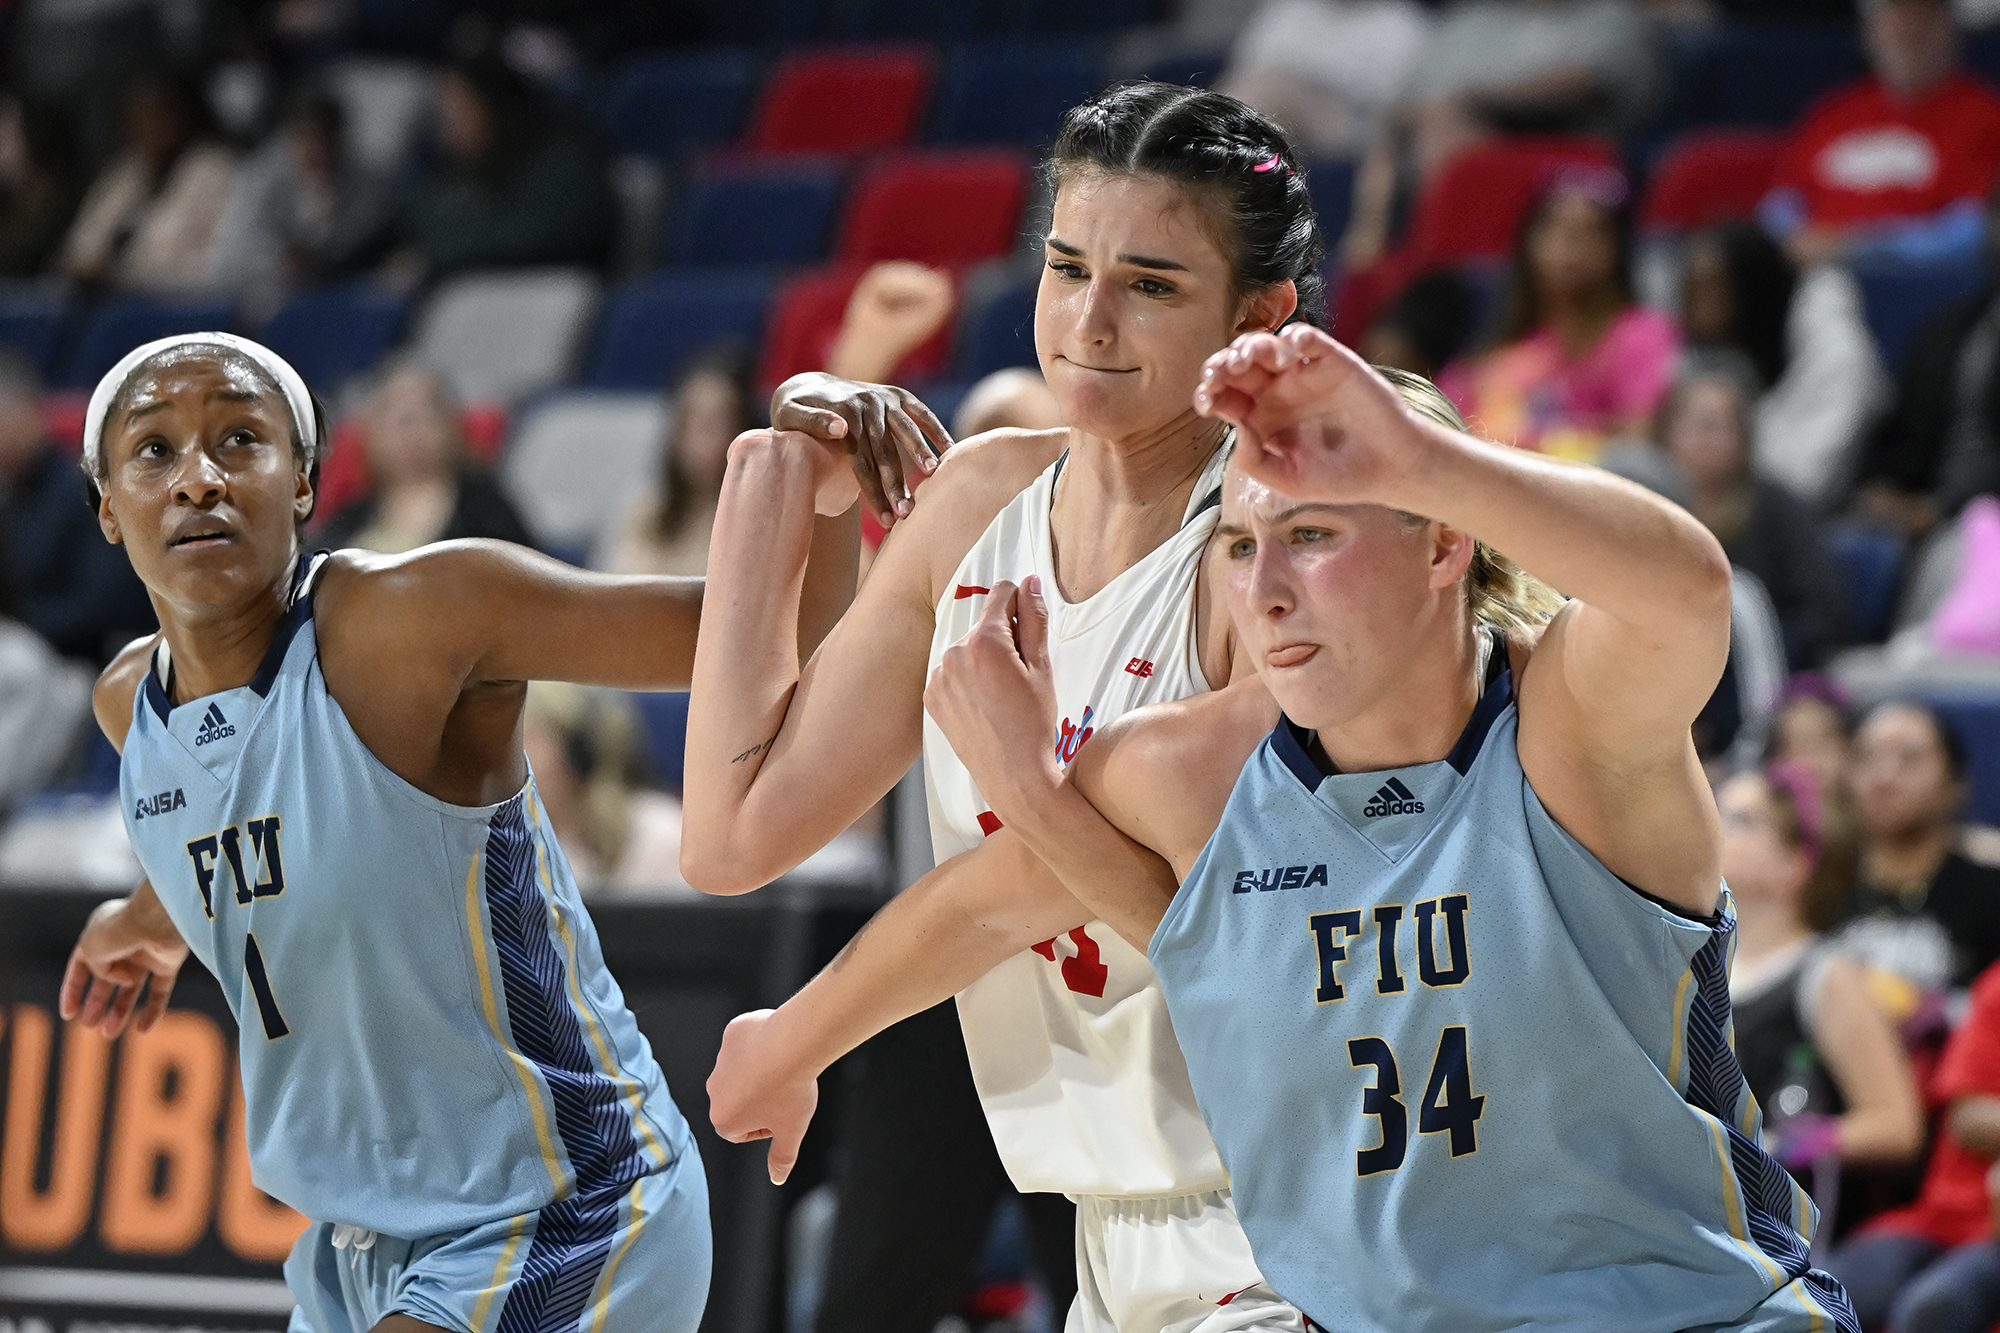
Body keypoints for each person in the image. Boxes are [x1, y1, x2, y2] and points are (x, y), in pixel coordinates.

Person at [921, 327, 1857, 1329]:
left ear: (1444, 540)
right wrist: (786, 1045)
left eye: (1311, 534)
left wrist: (1421, 461)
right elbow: (1115, 935)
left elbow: (1684, 591)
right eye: (1239, 545)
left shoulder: (1562, 726)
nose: (1264, 590)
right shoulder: (1200, 776)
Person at [54, 330, 868, 1330]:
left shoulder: (416, 619)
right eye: (154, 451)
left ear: (305, 483)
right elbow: (250, 827)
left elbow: (782, 635)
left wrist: (826, 489)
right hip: (358, 1251)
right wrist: (146, 917)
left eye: (238, 440)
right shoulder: (129, 706)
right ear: (105, 505)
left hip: (566, 1209)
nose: (199, 480)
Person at [691, 83, 1324, 1333]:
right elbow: (731, 832)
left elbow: (1032, 879)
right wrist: (777, 482)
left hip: (1294, 1215)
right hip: (1112, 1228)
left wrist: (800, 1032)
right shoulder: (980, 499)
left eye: (1148, 283)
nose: (1087, 320)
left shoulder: (1270, 548)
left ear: (1256, 321)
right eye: (1066, 265)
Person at [1339, 0, 1654, 267]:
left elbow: (1579, 81)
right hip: (1449, 142)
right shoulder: (1470, 22)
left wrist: (1475, 100)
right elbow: (1404, 107)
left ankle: (1443, 248)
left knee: (1445, 124)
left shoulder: (1606, 17)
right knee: (1420, 131)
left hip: (1556, 150)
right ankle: (1405, 244)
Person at [1722, 761, 1923, 1178]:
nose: (1713, 826)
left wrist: (1786, 1146)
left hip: (1786, 1224)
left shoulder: (1827, 975)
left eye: (1740, 820)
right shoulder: (1693, 962)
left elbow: (1896, 1125)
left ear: (1794, 865)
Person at [1438, 166, 1680, 461]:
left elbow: (1636, 449)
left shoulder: (1639, 334)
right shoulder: (1496, 349)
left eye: (1589, 231)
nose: (1568, 245)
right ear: (1528, 240)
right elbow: (1440, 434)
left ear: (1617, 248)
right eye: (1553, 227)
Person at [1822, 960, 2000, 1333]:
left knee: (1934, 1307)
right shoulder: (1995, 987)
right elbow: (1966, 1118)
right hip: (1941, 1217)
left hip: (1990, 1235)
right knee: (1825, 1292)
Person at [1760, 0, 2000, 270]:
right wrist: (1795, 237)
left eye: (1922, 18)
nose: (1908, 32)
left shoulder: (1985, 116)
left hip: (1917, 282)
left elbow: (1973, 228)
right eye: (1896, 18)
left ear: (1949, 28)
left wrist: (1861, 247)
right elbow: (1780, 203)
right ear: (1872, 29)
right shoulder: (1834, 112)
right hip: (1811, 271)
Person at [1655, 352, 1852, 667]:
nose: (1704, 440)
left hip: (1773, 669)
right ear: (1665, 436)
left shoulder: (1780, 510)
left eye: (1717, 426)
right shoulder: (1650, 512)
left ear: (1744, 438)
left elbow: (1826, 614)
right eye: (1692, 425)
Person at [1677, 222, 1888, 510]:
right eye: (1690, 291)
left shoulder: (1837, 356)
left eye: (1712, 290)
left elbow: (1804, 484)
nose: (1696, 310)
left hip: (1827, 515)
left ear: (1750, 288)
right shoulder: (1716, 356)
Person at [1850, 181, 2000, 544]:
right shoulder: (1948, 330)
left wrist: (1942, 509)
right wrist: (1878, 488)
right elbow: (1896, 433)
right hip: (1921, 513)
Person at [384, 52, 614, 283]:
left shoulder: (563, 165)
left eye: (459, 107)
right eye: (442, 111)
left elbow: (537, 239)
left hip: (538, 294)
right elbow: (407, 218)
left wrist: (432, 260)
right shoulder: (457, 177)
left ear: (493, 102)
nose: (446, 125)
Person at [0, 348, 155, 663]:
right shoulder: (10, 497)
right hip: (24, 650)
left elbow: (103, 605)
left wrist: (25, 629)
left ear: (30, 415)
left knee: (16, 665)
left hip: (83, 663)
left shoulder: (83, 492)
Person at [1835, 699, 2000, 993]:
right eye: (1867, 757)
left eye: (1910, 759)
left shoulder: (1989, 896)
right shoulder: (1819, 889)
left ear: (1955, 784)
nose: (1884, 777)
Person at [315, 358, 536, 555]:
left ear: (452, 425)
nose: (409, 428)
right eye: (392, 414)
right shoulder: (348, 518)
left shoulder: (487, 511)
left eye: (423, 412)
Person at [60, 73, 237, 294]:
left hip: (182, 307)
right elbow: (77, 253)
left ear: (183, 115)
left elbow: (213, 267)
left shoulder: (216, 171)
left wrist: (128, 278)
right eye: (139, 118)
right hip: (115, 309)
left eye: (159, 115)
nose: (151, 127)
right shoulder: (125, 174)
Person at [593, 342, 758, 578]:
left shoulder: (758, 520)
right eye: (694, 422)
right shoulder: (645, 509)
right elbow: (611, 589)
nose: (707, 439)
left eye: (719, 422)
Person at [0, 94, 82, 278]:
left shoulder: (65, 204)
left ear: (36, 140)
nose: (2, 152)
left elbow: (21, 258)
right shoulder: (9, 206)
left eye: (10, 139)